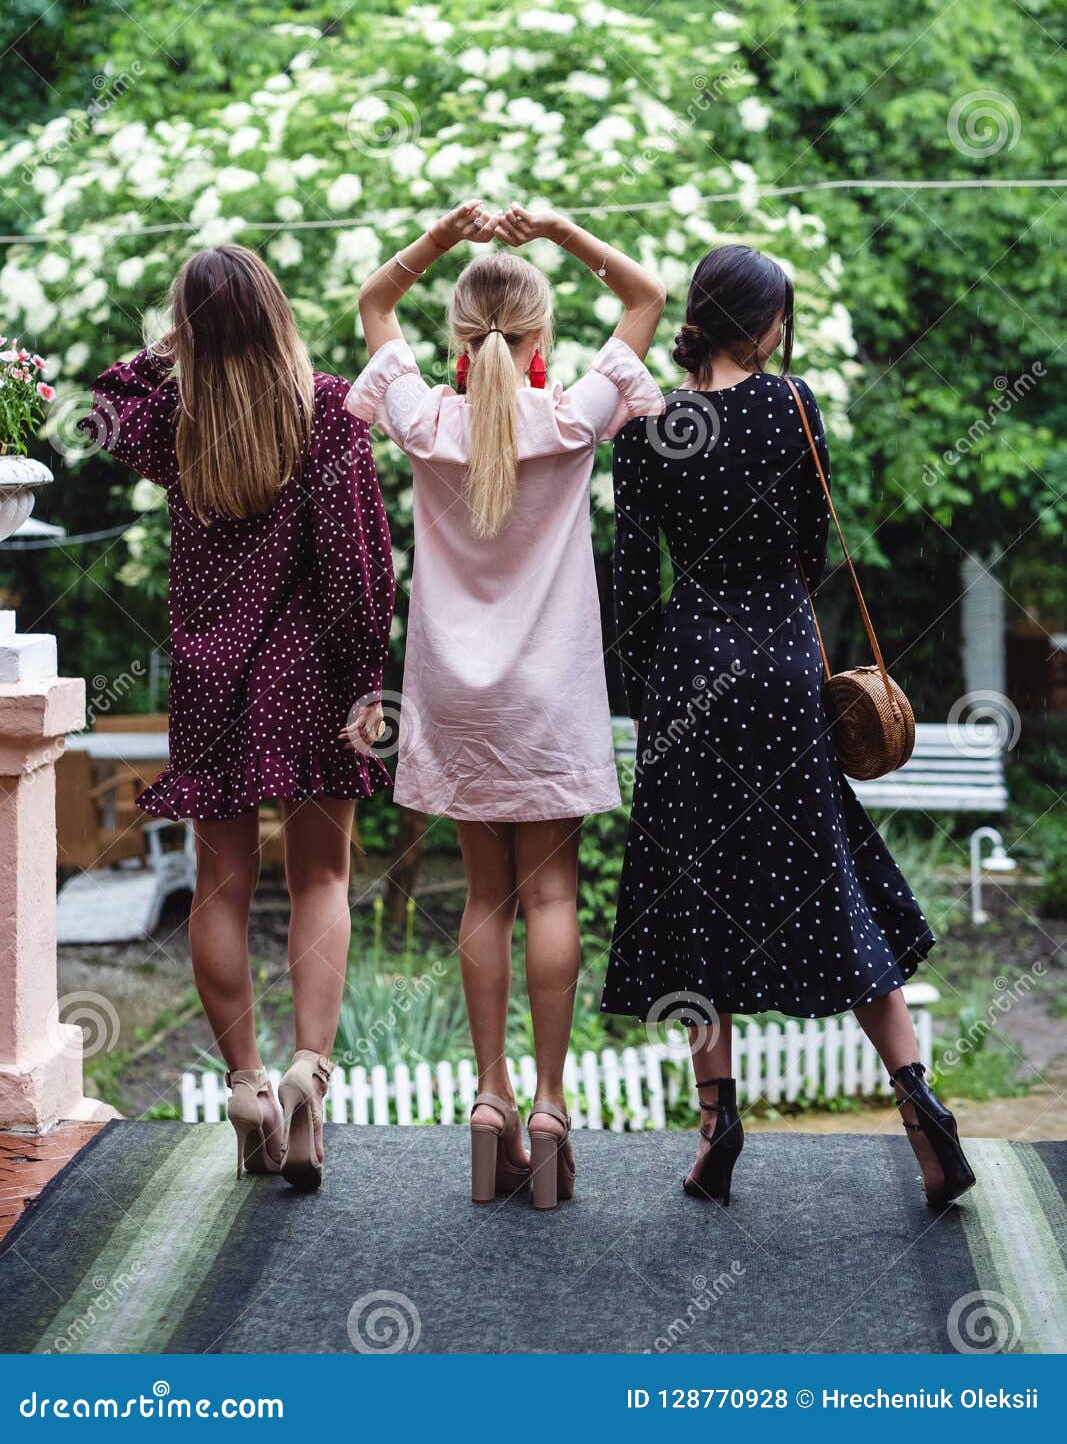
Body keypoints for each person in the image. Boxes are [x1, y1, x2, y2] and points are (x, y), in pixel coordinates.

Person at [601, 243, 975, 1211]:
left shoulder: (644, 425)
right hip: (779, 665)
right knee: (829, 874)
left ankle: (716, 1121)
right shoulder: (791, 405)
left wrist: (649, 694)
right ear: (765, 325)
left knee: (696, 893)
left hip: (689, 673)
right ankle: (916, 1098)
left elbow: (632, 583)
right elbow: (809, 550)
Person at [346, 198, 665, 1208]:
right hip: (550, 695)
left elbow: (372, 302)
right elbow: (648, 296)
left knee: (482, 898)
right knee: (552, 898)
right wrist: (560, 231)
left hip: (455, 697)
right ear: (540, 337)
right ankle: (550, 1104)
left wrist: (442, 236)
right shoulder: (571, 416)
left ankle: (489, 1099)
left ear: (456, 337)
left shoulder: (424, 419)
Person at [81, 243, 395, 1191]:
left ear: (190, 331)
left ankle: (248, 1088)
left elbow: (102, 405)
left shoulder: (180, 420)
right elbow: (359, 572)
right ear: (276, 312)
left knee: (220, 885)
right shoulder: (330, 409)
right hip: (310, 680)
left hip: (212, 682)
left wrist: (174, 346)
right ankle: (309, 1073)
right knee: (321, 877)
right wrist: (365, 685)